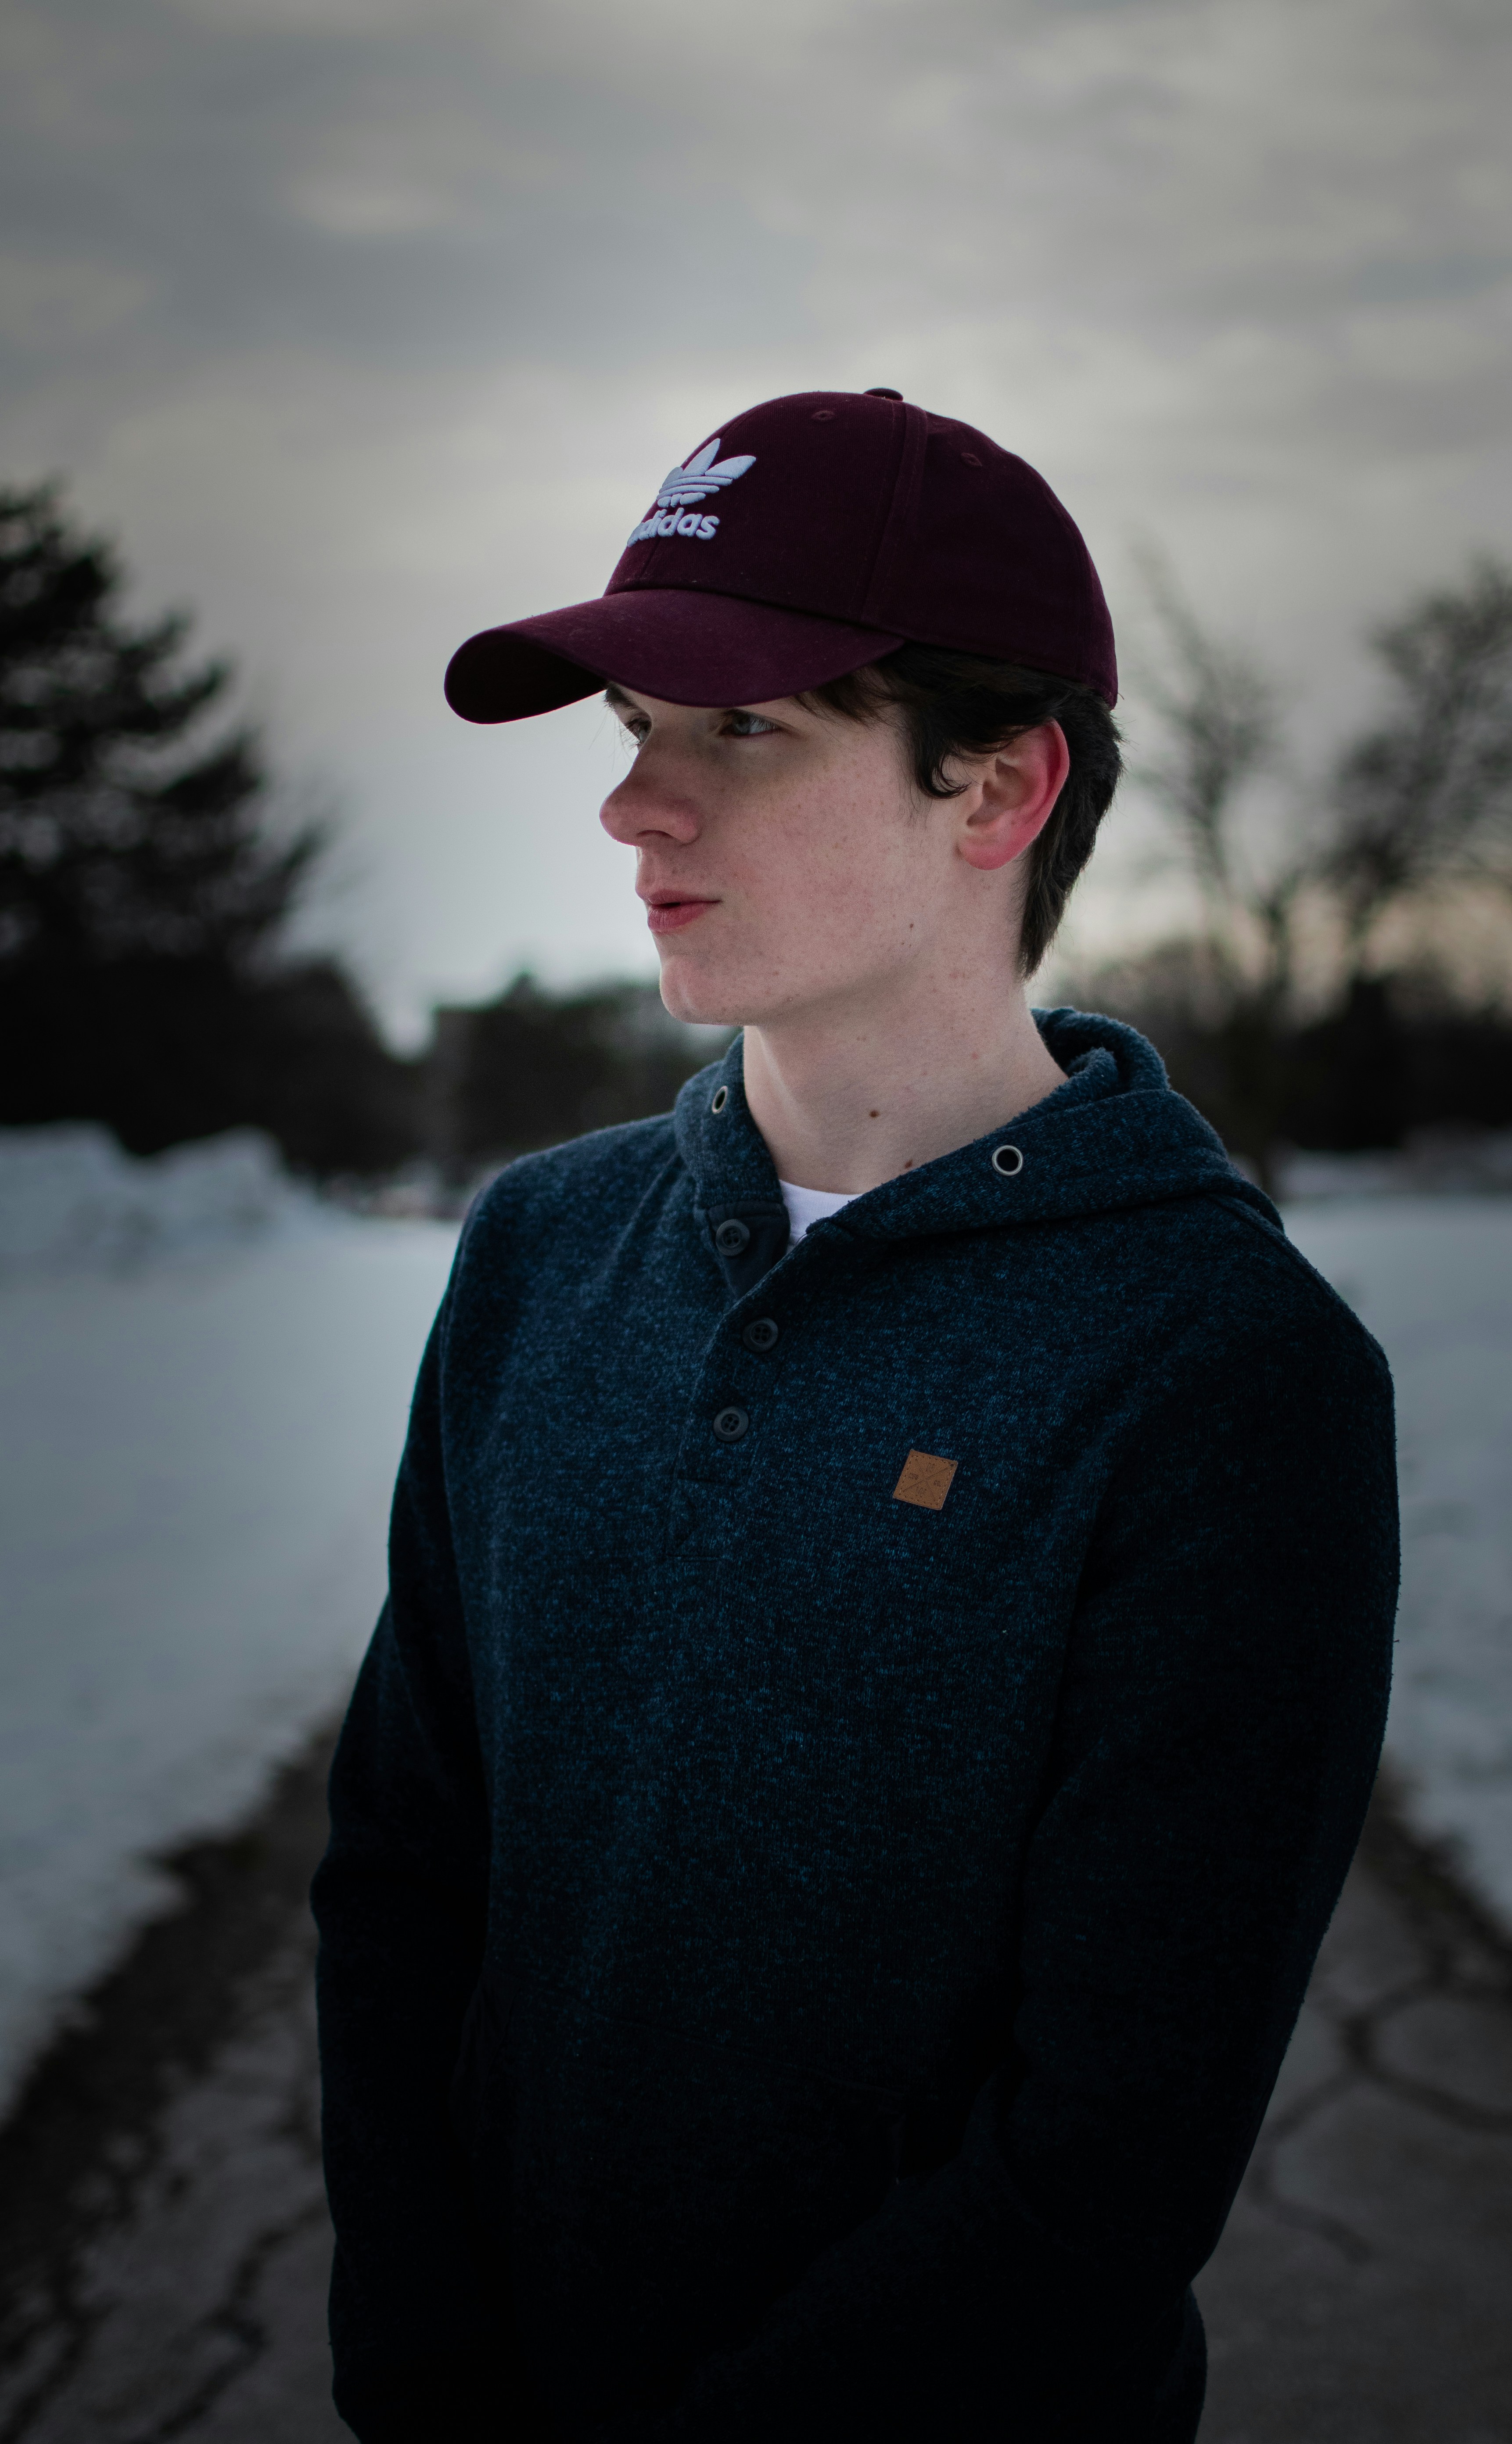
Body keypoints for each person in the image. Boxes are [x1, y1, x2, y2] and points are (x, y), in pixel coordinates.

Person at [312, 387, 1398, 2443]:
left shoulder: (1223, 1373)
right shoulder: (540, 1253)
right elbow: (401, 1874)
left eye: (742, 730)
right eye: (635, 727)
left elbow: (1110, 2153)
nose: (635, 806)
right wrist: (422, 2355)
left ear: (993, 790)